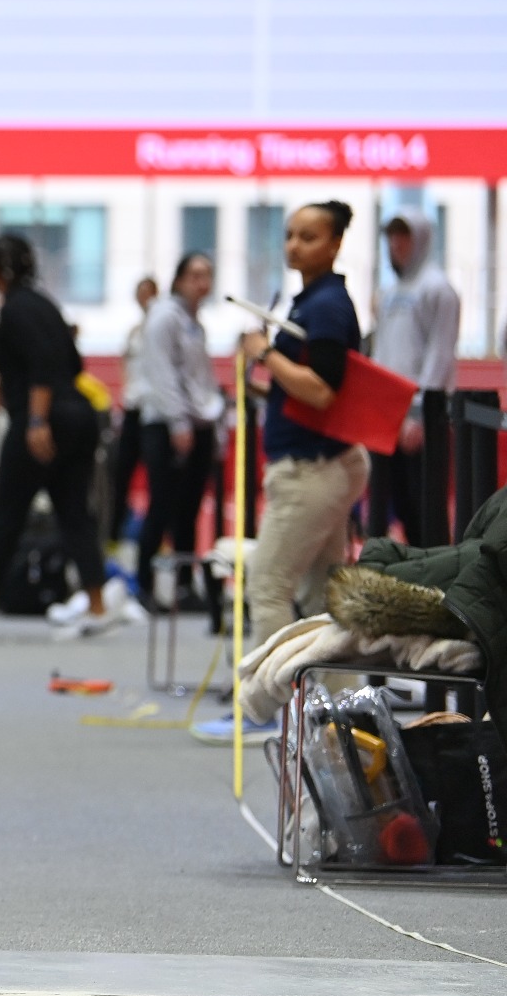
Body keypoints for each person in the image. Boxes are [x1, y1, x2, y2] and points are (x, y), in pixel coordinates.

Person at [0, 235, 118, 634]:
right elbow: (69, 364)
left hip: (43, 420)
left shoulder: (13, 310)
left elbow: (43, 366)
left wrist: (38, 421)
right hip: (78, 415)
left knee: (8, 512)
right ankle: (97, 606)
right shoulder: (46, 305)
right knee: (74, 512)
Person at [233, 202, 370, 669]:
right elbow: (303, 387)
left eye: (308, 237)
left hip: (312, 468)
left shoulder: (326, 305)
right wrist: (264, 384)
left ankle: (270, 699)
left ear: (335, 244)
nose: (294, 245)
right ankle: (329, 703)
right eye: (290, 235)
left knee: (267, 586)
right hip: (319, 463)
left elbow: (322, 391)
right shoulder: (310, 300)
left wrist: (265, 354)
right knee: (321, 598)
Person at [135, 252, 224, 607]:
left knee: (189, 509)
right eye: (195, 275)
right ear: (179, 279)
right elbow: (162, 373)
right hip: (167, 425)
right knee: (162, 506)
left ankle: (185, 585)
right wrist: (178, 421)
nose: (203, 283)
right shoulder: (164, 317)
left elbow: (200, 378)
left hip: (196, 423)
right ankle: (144, 584)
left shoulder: (194, 322)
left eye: (208, 275)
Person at [369, 213, 458, 542]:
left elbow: (440, 352)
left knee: (425, 506)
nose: (396, 244)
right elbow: (382, 351)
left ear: (420, 238)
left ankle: (434, 571)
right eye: (392, 237)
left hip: (422, 416)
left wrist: (420, 413)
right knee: (397, 503)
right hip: (388, 414)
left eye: (403, 236)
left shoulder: (438, 289)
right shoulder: (389, 292)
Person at [109, 275, 159, 546]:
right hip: (133, 408)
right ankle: (114, 533)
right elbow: (125, 362)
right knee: (121, 474)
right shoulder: (134, 332)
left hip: (154, 411)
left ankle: (156, 538)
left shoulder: (162, 329)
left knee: (157, 478)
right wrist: (126, 391)